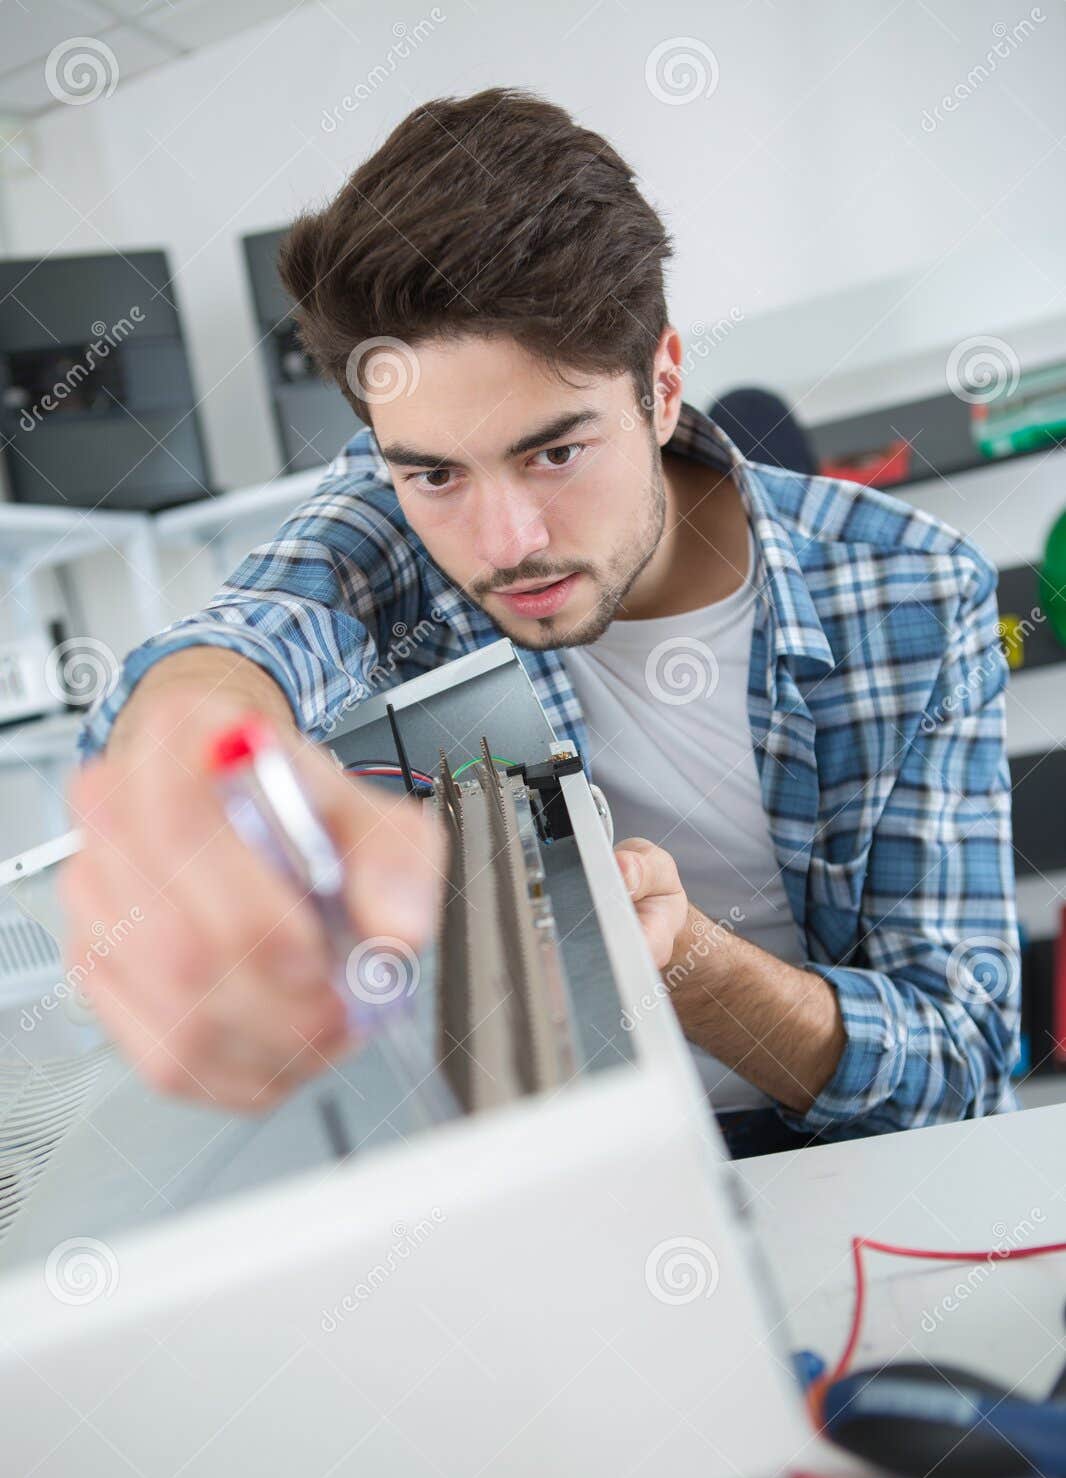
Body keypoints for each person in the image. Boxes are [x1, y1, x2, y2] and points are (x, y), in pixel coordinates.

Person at [68, 88, 1019, 1154]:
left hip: (848, 1168)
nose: (505, 540)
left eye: (553, 452)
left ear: (660, 387)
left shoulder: (914, 591)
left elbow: (959, 1061)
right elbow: (262, 628)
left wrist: (683, 958)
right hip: (550, 1168)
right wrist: (194, 782)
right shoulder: (392, 513)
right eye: (433, 473)